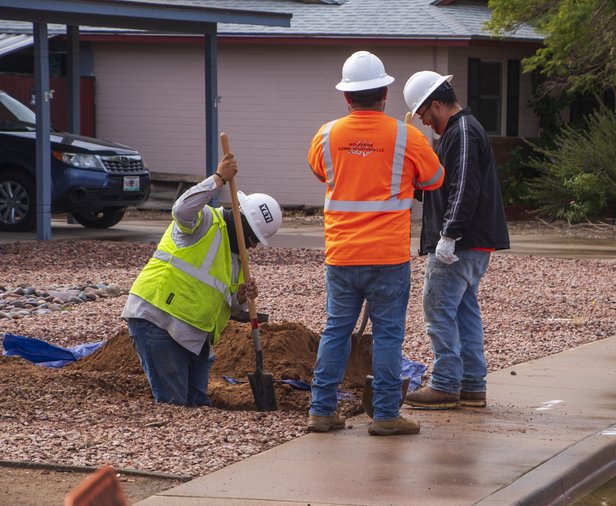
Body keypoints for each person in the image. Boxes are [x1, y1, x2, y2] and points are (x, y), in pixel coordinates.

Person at [307, 51, 444, 436]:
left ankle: (322, 410)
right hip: (387, 255)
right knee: (387, 336)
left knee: (336, 330)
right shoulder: (406, 136)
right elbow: (434, 179)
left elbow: (320, 171)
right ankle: (385, 415)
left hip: (342, 253)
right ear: (384, 92)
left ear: (347, 96)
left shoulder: (327, 135)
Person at [122, 153, 282, 406]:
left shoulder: (238, 261)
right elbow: (181, 210)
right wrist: (218, 179)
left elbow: (225, 303)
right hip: (159, 321)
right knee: (174, 404)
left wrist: (239, 297)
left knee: (198, 407)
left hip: (195, 336)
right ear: (240, 223)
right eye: (252, 239)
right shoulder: (204, 222)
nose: (252, 247)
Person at [401, 71, 510, 409]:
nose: (424, 122)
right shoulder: (464, 129)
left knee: (438, 309)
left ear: (436, 104)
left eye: (424, 115)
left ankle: (446, 384)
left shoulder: (461, 131)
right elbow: (445, 185)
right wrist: (415, 184)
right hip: (473, 241)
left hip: (459, 243)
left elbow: (464, 186)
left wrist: (449, 234)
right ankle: (472, 385)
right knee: (463, 312)